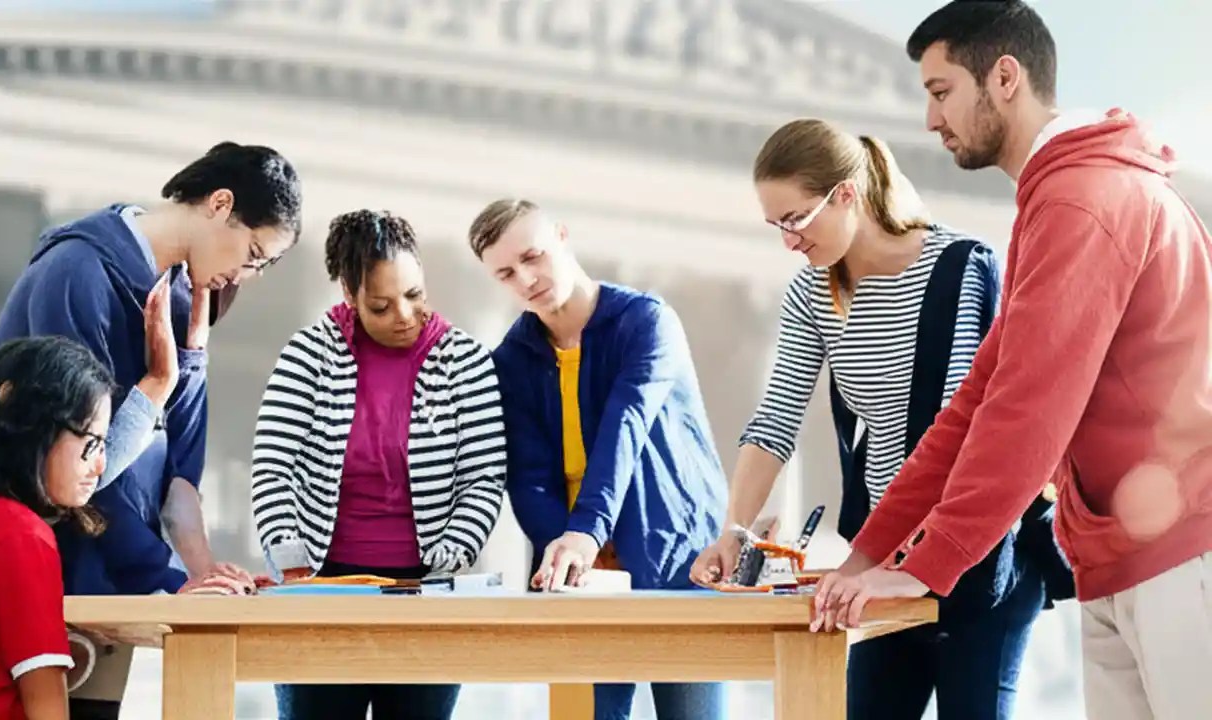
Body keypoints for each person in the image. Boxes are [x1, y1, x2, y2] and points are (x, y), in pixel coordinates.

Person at [812, 3, 1212, 719]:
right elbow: (976, 405)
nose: (931, 120)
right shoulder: (1058, 199)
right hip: (1121, 558)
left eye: (940, 92)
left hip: (1185, 553)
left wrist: (929, 568)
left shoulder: (1085, 200)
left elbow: (1030, 408)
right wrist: (869, 556)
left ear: (1003, 77)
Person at [686, 118, 1048, 719]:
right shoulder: (811, 293)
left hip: (977, 558)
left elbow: (960, 427)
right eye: (775, 225)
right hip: (881, 559)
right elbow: (776, 418)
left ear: (847, 193)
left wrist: (916, 555)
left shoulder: (961, 268)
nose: (788, 241)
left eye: (796, 218)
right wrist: (736, 531)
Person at [0, 141, 300, 718]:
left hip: (106, 579)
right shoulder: (78, 271)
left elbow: (178, 472)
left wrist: (204, 575)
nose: (251, 274)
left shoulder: (186, 294)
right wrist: (168, 580)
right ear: (220, 204)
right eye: (254, 253)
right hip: (42, 576)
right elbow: (75, 474)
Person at [469, 198, 728, 720]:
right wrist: (561, 552)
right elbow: (528, 475)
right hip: (580, 577)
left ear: (562, 235)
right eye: (506, 273)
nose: (526, 279)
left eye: (533, 256)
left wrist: (584, 533)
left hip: (675, 558)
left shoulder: (647, 323)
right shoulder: (511, 358)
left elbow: (624, 428)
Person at [252, 210, 507, 719]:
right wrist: (291, 558)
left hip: (426, 592)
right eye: (381, 305)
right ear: (349, 294)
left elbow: (484, 475)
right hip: (323, 591)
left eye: (414, 294)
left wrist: (453, 553)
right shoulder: (308, 353)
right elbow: (273, 464)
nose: (405, 315)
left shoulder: (467, 362)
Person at [0, 337, 143, 718]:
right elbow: (45, 700)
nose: (99, 466)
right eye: (91, 443)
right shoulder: (19, 536)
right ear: (32, 425)